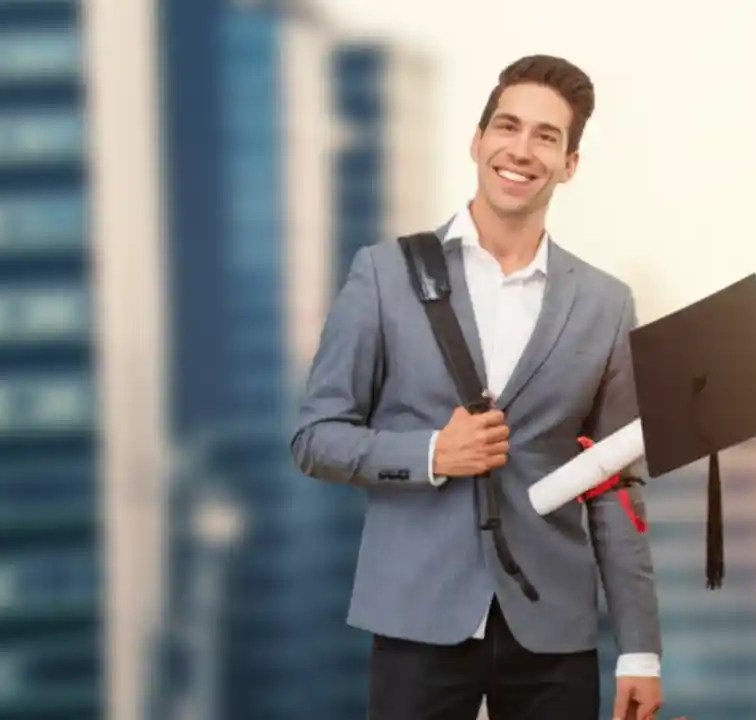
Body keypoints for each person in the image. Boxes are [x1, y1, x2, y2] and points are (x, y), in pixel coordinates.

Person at [291, 54, 664, 720]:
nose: (520, 150)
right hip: (415, 615)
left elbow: (615, 480)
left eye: (546, 136)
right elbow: (315, 439)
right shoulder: (382, 275)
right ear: (477, 140)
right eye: (507, 126)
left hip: (553, 629)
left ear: (570, 164)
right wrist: (432, 453)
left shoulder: (607, 305)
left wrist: (639, 651)